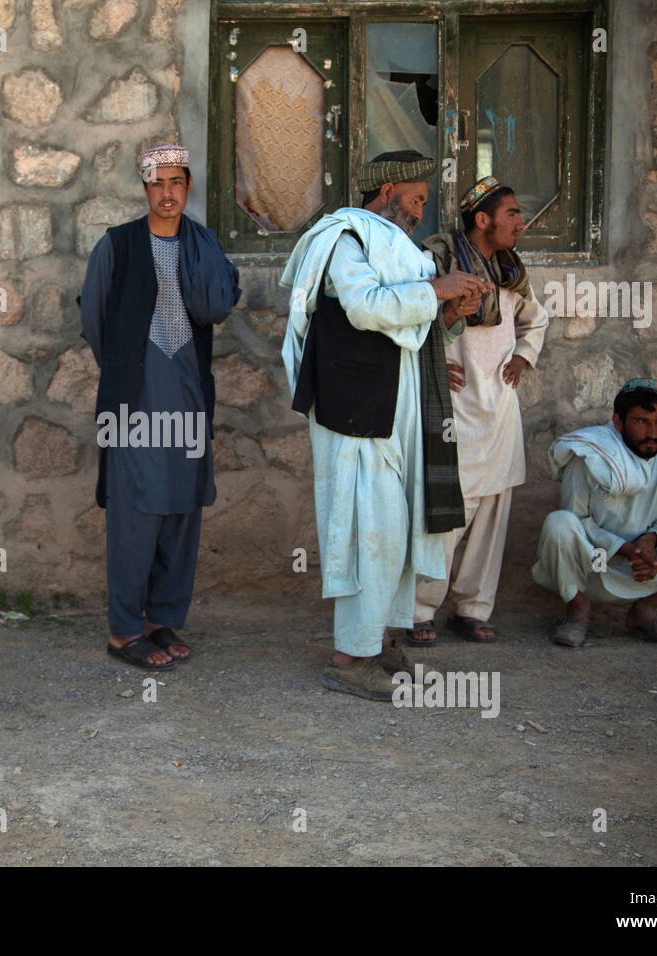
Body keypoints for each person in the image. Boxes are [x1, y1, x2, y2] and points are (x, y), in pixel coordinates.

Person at [280, 150, 490, 700]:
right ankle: (351, 658)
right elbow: (366, 308)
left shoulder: (403, 253)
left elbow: (411, 330)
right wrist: (437, 291)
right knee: (364, 534)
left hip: (399, 416)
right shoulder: (344, 240)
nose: (421, 213)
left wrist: (448, 313)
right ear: (388, 189)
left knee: (396, 532)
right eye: (417, 200)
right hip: (355, 416)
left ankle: (382, 640)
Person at [80, 144, 241, 671]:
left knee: (181, 506)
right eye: (157, 183)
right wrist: (132, 366)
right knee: (135, 511)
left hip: (188, 394)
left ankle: (160, 619)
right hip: (134, 399)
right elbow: (96, 320)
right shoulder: (118, 246)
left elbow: (219, 301)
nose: (167, 192)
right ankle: (124, 630)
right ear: (144, 188)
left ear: (188, 186)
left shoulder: (202, 243)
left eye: (176, 182)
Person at [410, 176, 549, 644]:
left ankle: (471, 608)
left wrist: (523, 355)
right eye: (512, 214)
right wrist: (431, 362)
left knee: (493, 511)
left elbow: (535, 318)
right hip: (455, 406)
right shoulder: (437, 263)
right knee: (445, 512)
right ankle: (419, 609)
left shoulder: (510, 270)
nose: (520, 223)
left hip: (500, 408)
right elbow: (410, 314)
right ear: (482, 219)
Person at [532, 379, 657, 647]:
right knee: (559, 522)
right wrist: (624, 549)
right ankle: (578, 611)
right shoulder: (591, 458)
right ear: (618, 421)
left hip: (646, 570)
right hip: (593, 567)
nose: (653, 432)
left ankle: (645, 611)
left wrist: (650, 541)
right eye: (642, 421)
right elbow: (577, 519)